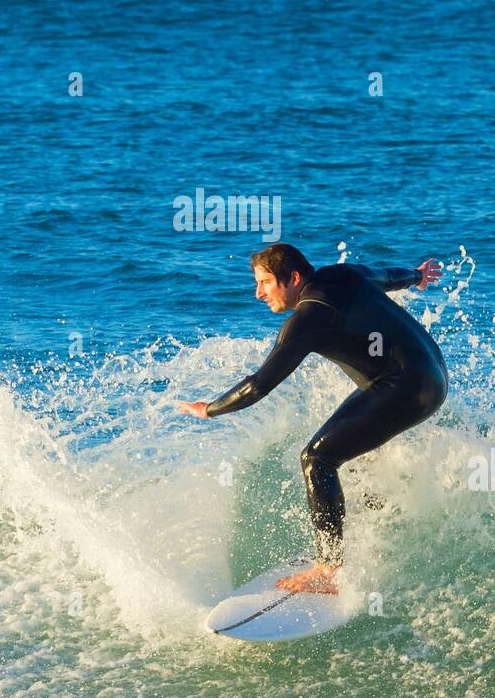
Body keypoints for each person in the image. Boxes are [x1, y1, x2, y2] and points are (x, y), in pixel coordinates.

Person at [177, 244, 448, 593]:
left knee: (316, 459)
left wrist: (209, 408)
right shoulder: (343, 274)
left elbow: (260, 384)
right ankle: (373, 520)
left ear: (292, 278)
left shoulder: (307, 319)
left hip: (405, 385)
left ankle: (328, 569)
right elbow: (386, 275)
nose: (258, 293)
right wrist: (418, 276)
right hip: (432, 375)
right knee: (351, 450)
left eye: (264, 283)